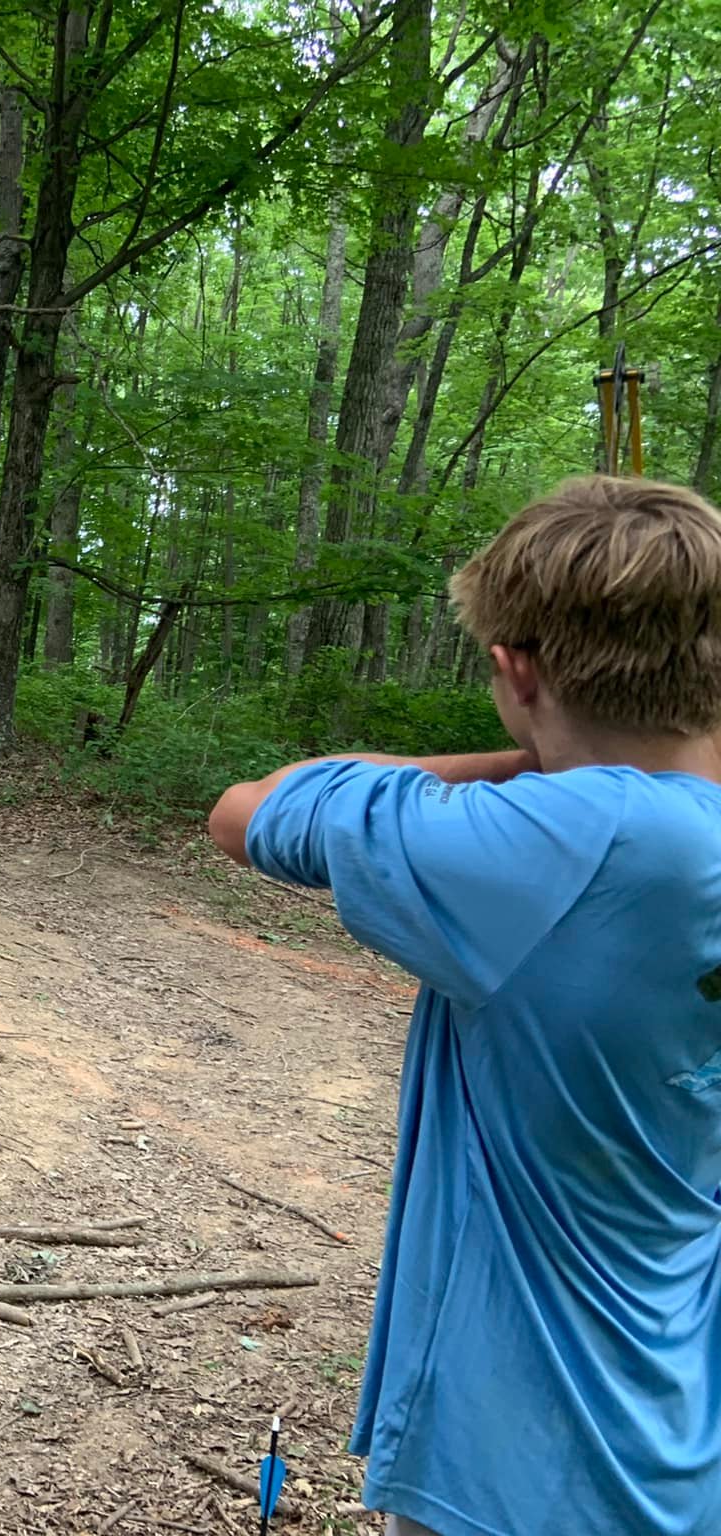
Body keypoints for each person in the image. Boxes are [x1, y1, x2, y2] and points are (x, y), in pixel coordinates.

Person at [206, 476, 721, 1536]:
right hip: (681, 1437)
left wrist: (518, 766)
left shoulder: (561, 841)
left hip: (526, 1459)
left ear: (512, 668)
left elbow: (249, 809)